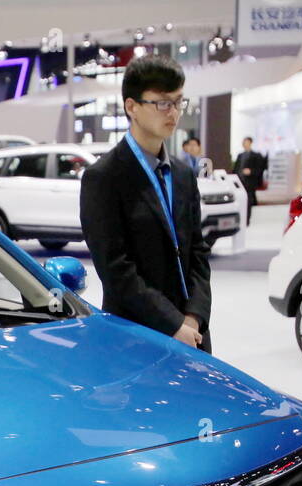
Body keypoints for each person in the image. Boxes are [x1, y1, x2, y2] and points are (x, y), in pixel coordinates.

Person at [80, 54, 212, 353]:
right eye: (163, 103)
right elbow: (117, 271)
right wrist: (173, 325)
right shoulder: (103, 178)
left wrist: (194, 317)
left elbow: (198, 253)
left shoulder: (182, 174)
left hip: (194, 335)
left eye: (179, 102)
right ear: (132, 107)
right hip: (135, 337)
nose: (174, 113)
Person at [233, 136, 267, 224]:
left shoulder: (256, 156)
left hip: (250, 182)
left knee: (248, 201)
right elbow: (236, 168)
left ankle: (247, 219)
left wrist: (251, 171)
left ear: (250, 143)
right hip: (240, 181)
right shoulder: (240, 155)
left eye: (246, 142)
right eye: (244, 143)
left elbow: (259, 169)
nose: (245, 144)